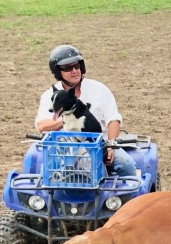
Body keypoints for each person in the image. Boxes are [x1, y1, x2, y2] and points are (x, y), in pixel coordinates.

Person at [36, 45, 137, 178]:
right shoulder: (51, 95)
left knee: (126, 163)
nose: (74, 71)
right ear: (57, 72)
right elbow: (42, 126)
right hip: (65, 147)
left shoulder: (99, 89)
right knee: (46, 171)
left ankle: (133, 198)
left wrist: (111, 145)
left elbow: (113, 119)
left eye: (77, 66)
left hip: (100, 144)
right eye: (67, 68)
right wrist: (68, 119)